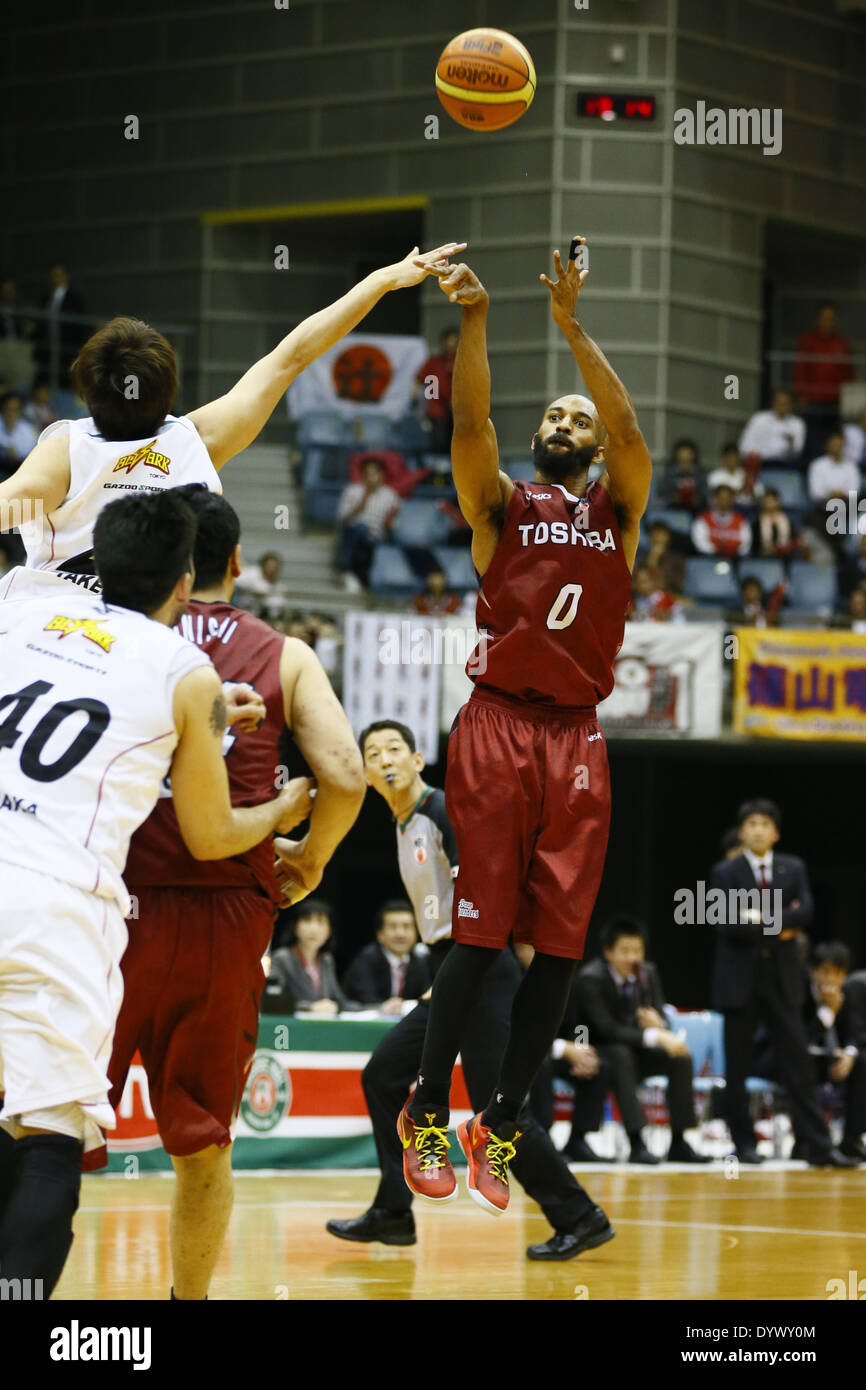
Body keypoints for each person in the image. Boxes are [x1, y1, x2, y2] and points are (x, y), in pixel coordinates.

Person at [0, 490, 313, 1297]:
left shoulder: (23, 605)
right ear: (188, 582)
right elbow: (211, 836)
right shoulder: (186, 669)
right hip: (54, 906)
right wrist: (280, 811)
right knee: (50, 1138)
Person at [397, 235, 651, 1216]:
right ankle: (426, 1106)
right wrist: (475, 320)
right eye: (552, 410)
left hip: (578, 737)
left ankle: (497, 1120)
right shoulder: (500, 504)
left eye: (573, 415)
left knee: (556, 946)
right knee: (478, 934)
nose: (563, 418)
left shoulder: (617, 509)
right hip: (499, 725)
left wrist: (573, 330)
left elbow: (627, 433)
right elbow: (469, 420)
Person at [102, 486, 366, 1299]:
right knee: (204, 1142)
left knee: (39, 1127)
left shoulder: (118, 640)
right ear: (236, 564)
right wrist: (311, 855)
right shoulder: (283, 652)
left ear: (177, 569)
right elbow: (347, 775)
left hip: (111, 901)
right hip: (225, 909)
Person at [0, 241, 466, 603]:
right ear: (169, 392)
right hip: (148, 639)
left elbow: (10, 505)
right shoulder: (197, 440)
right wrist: (382, 281)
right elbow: (295, 354)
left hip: (46, 628)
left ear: (85, 391)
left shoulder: (66, 448)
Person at [326, 719, 615, 1260]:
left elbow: (482, 900)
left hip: (478, 969)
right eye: (373, 753)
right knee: (383, 1076)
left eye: (395, 748)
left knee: (497, 1108)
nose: (384, 758)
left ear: (417, 760)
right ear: (365, 773)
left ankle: (579, 1215)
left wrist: (459, 975)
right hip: (450, 971)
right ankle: (393, 1211)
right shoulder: (402, 822)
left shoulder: (443, 811)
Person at [709, 798, 858, 1167]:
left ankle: (818, 1147)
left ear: (775, 833)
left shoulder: (794, 868)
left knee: (799, 1063)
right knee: (737, 1067)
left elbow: (805, 912)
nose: (758, 829)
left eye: (765, 824)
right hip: (740, 979)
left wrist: (757, 916)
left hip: (783, 979)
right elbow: (727, 923)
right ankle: (743, 1144)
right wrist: (781, 923)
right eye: (751, 823)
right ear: (742, 832)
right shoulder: (725, 872)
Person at [576, 917, 709, 1164]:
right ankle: (636, 1141)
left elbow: (662, 1018)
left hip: (638, 1052)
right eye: (625, 950)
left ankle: (679, 1141)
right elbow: (606, 1029)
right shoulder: (590, 978)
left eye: (637, 950)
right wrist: (654, 1035)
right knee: (619, 1053)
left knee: (679, 1056)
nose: (632, 957)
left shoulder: (648, 973)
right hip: (601, 1052)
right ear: (608, 952)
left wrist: (659, 1025)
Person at [803, 943, 866, 1161]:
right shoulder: (800, 993)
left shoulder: (846, 994)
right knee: (803, 1069)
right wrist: (827, 1012)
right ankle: (807, 1141)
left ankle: (851, 1139)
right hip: (794, 1059)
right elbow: (802, 1041)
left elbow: (854, 1034)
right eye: (826, 971)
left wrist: (849, 1054)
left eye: (839, 973)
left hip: (827, 1060)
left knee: (861, 1063)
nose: (832, 980)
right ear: (813, 971)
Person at [267, 901, 359, 1015]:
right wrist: (309, 1007)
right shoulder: (282, 958)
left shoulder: (326, 960)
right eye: (307, 921)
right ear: (295, 927)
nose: (313, 929)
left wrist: (378, 1008)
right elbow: (272, 1001)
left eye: (320, 922)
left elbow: (339, 1000)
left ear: (329, 931)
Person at [342, 902, 430, 1013]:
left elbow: (425, 999)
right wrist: (382, 1007)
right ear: (380, 934)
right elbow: (364, 1000)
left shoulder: (420, 961)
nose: (400, 933)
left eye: (406, 926)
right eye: (393, 927)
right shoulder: (365, 960)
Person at [793, 303, 853, 460]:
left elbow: (848, 375)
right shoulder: (808, 342)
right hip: (813, 402)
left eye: (831, 318)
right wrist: (801, 395)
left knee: (834, 440)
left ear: (835, 321)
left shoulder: (841, 344)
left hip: (834, 403)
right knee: (812, 442)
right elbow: (800, 370)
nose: (828, 322)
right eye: (824, 318)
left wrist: (846, 400)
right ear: (818, 320)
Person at [336, 456, 401, 591]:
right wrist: (359, 505)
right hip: (354, 532)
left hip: (378, 536)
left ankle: (363, 578)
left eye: (374, 473)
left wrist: (390, 523)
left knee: (372, 542)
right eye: (367, 474)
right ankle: (346, 570)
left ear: (382, 475)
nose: (371, 477)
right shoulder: (352, 491)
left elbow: (395, 526)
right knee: (360, 529)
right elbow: (341, 519)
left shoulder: (391, 496)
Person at [414, 325, 459, 454]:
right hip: (437, 410)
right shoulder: (434, 362)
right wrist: (418, 404)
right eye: (448, 341)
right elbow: (418, 380)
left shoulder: (462, 362)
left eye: (454, 342)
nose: (451, 346)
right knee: (438, 442)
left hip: (458, 411)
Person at [739, 389, 806, 465]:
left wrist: (791, 444)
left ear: (791, 405)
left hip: (785, 466)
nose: (782, 406)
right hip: (760, 464)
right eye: (779, 403)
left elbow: (797, 452)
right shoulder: (759, 418)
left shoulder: (797, 423)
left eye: (785, 404)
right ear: (773, 403)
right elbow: (745, 446)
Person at [691, 484, 752, 557]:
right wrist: (718, 550)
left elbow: (745, 545)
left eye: (728, 498)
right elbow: (700, 544)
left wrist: (731, 551)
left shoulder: (741, 521)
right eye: (721, 498)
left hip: (735, 560)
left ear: (732, 500)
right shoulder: (703, 520)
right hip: (710, 560)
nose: (724, 501)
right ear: (715, 499)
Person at [0, 391, 38, 478]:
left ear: (20, 411)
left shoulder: (28, 429)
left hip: (20, 470)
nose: (11, 413)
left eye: (15, 410)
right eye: (8, 409)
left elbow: (30, 453)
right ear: (2, 409)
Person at [660, 437, 704, 509]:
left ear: (693, 455)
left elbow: (704, 495)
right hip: (673, 509)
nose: (685, 456)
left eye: (688, 453)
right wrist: (672, 498)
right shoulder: (668, 473)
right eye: (682, 452)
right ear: (676, 454)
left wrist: (697, 499)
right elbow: (662, 494)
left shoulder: (700, 473)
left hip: (695, 510)